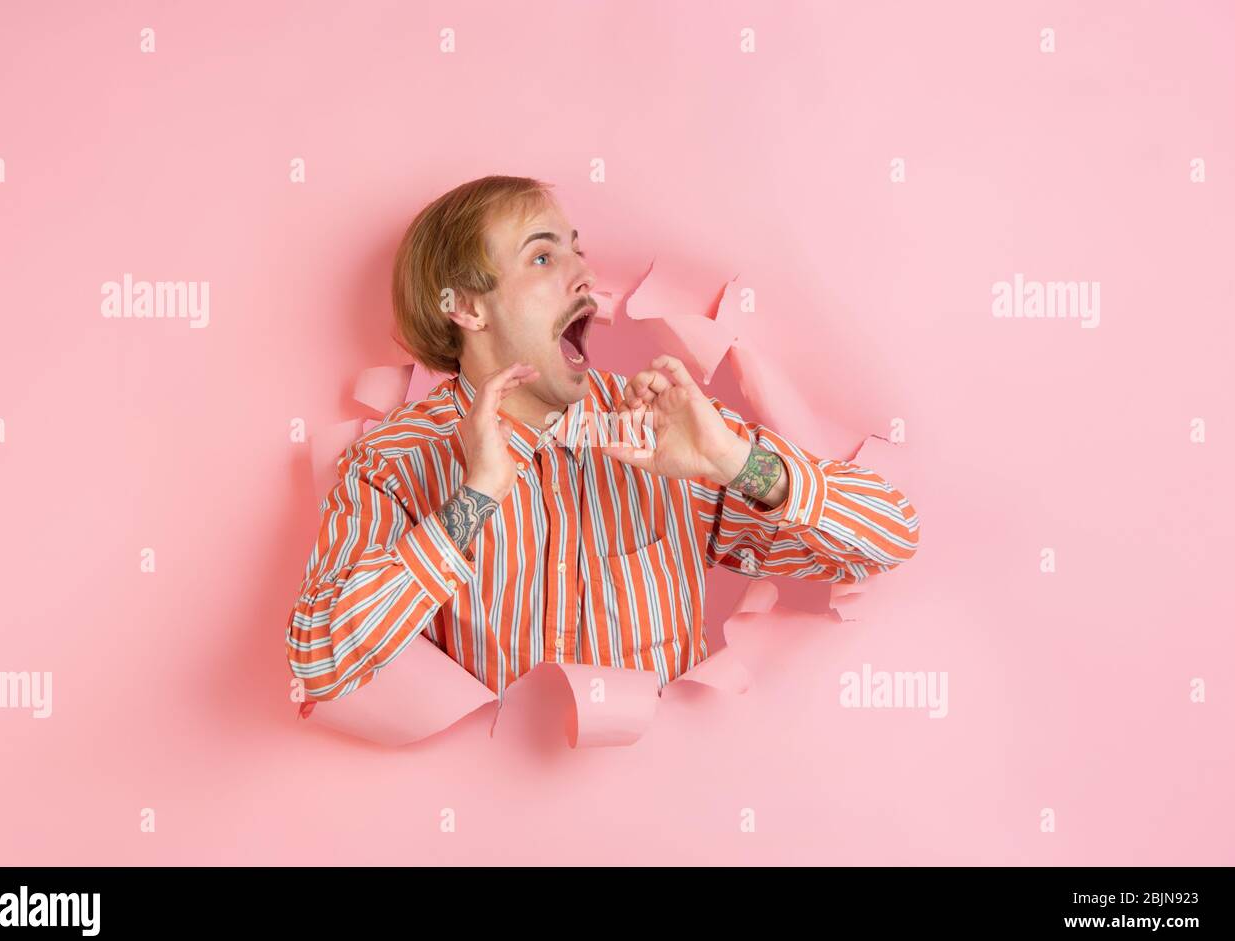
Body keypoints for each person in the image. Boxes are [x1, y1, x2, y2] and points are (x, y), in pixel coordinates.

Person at [286, 175, 920, 705]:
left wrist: (734, 461)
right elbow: (318, 662)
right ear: (469, 308)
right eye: (543, 258)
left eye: (577, 251)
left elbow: (889, 537)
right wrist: (471, 502)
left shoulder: (659, 427)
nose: (584, 274)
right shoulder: (394, 461)